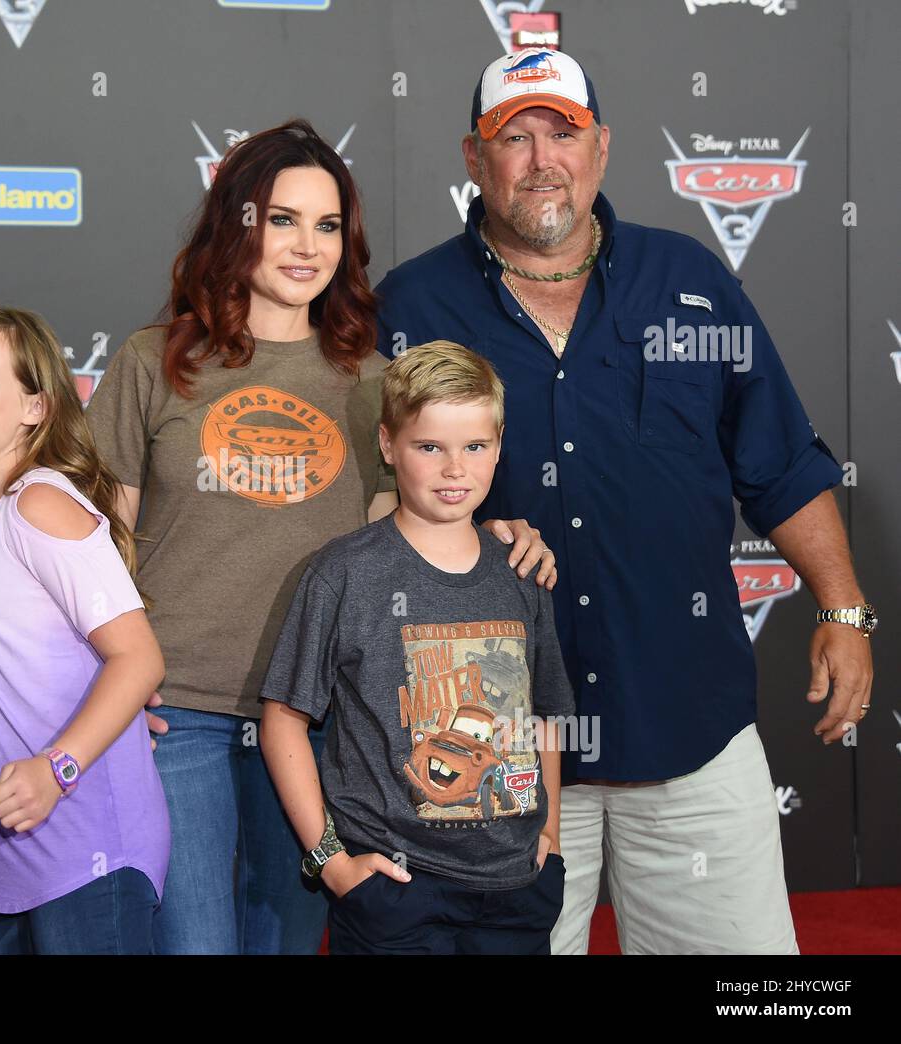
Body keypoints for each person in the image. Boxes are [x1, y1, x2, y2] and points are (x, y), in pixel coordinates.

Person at [374, 48, 875, 954]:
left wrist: (843, 607)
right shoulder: (409, 305)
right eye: (513, 138)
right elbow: (364, 511)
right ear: (471, 158)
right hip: (493, 747)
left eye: (561, 135)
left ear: (601, 149)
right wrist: (451, 523)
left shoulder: (689, 278)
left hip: (687, 723)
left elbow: (781, 463)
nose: (540, 159)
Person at [85, 119, 555, 954]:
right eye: (283, 219)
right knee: (194, 945)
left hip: (321, 725)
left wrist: (495, 534)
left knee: (286, 945)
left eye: (328, 224)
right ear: (236, 225)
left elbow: (404, 540)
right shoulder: (154, 361)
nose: (308, 246)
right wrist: (106, 678)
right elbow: (95, 541)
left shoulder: (373, 382)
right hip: (177, 713)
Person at [261, 341, 574, 955]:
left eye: (474, 447)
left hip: (517, 890)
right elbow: (283, 722)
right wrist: (331, 861)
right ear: (387, 445)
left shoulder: (521, 571)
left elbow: (542, 718)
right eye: (429, 447)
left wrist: (552, 837)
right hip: (394, 891)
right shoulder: (344, 573)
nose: (454, 468)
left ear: (499, 446)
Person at [0, 303, 169, 955]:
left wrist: (56, 770)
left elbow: (138, 660)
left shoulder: (40, 504)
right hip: (6, 856)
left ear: (35, 407)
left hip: (89, 850)